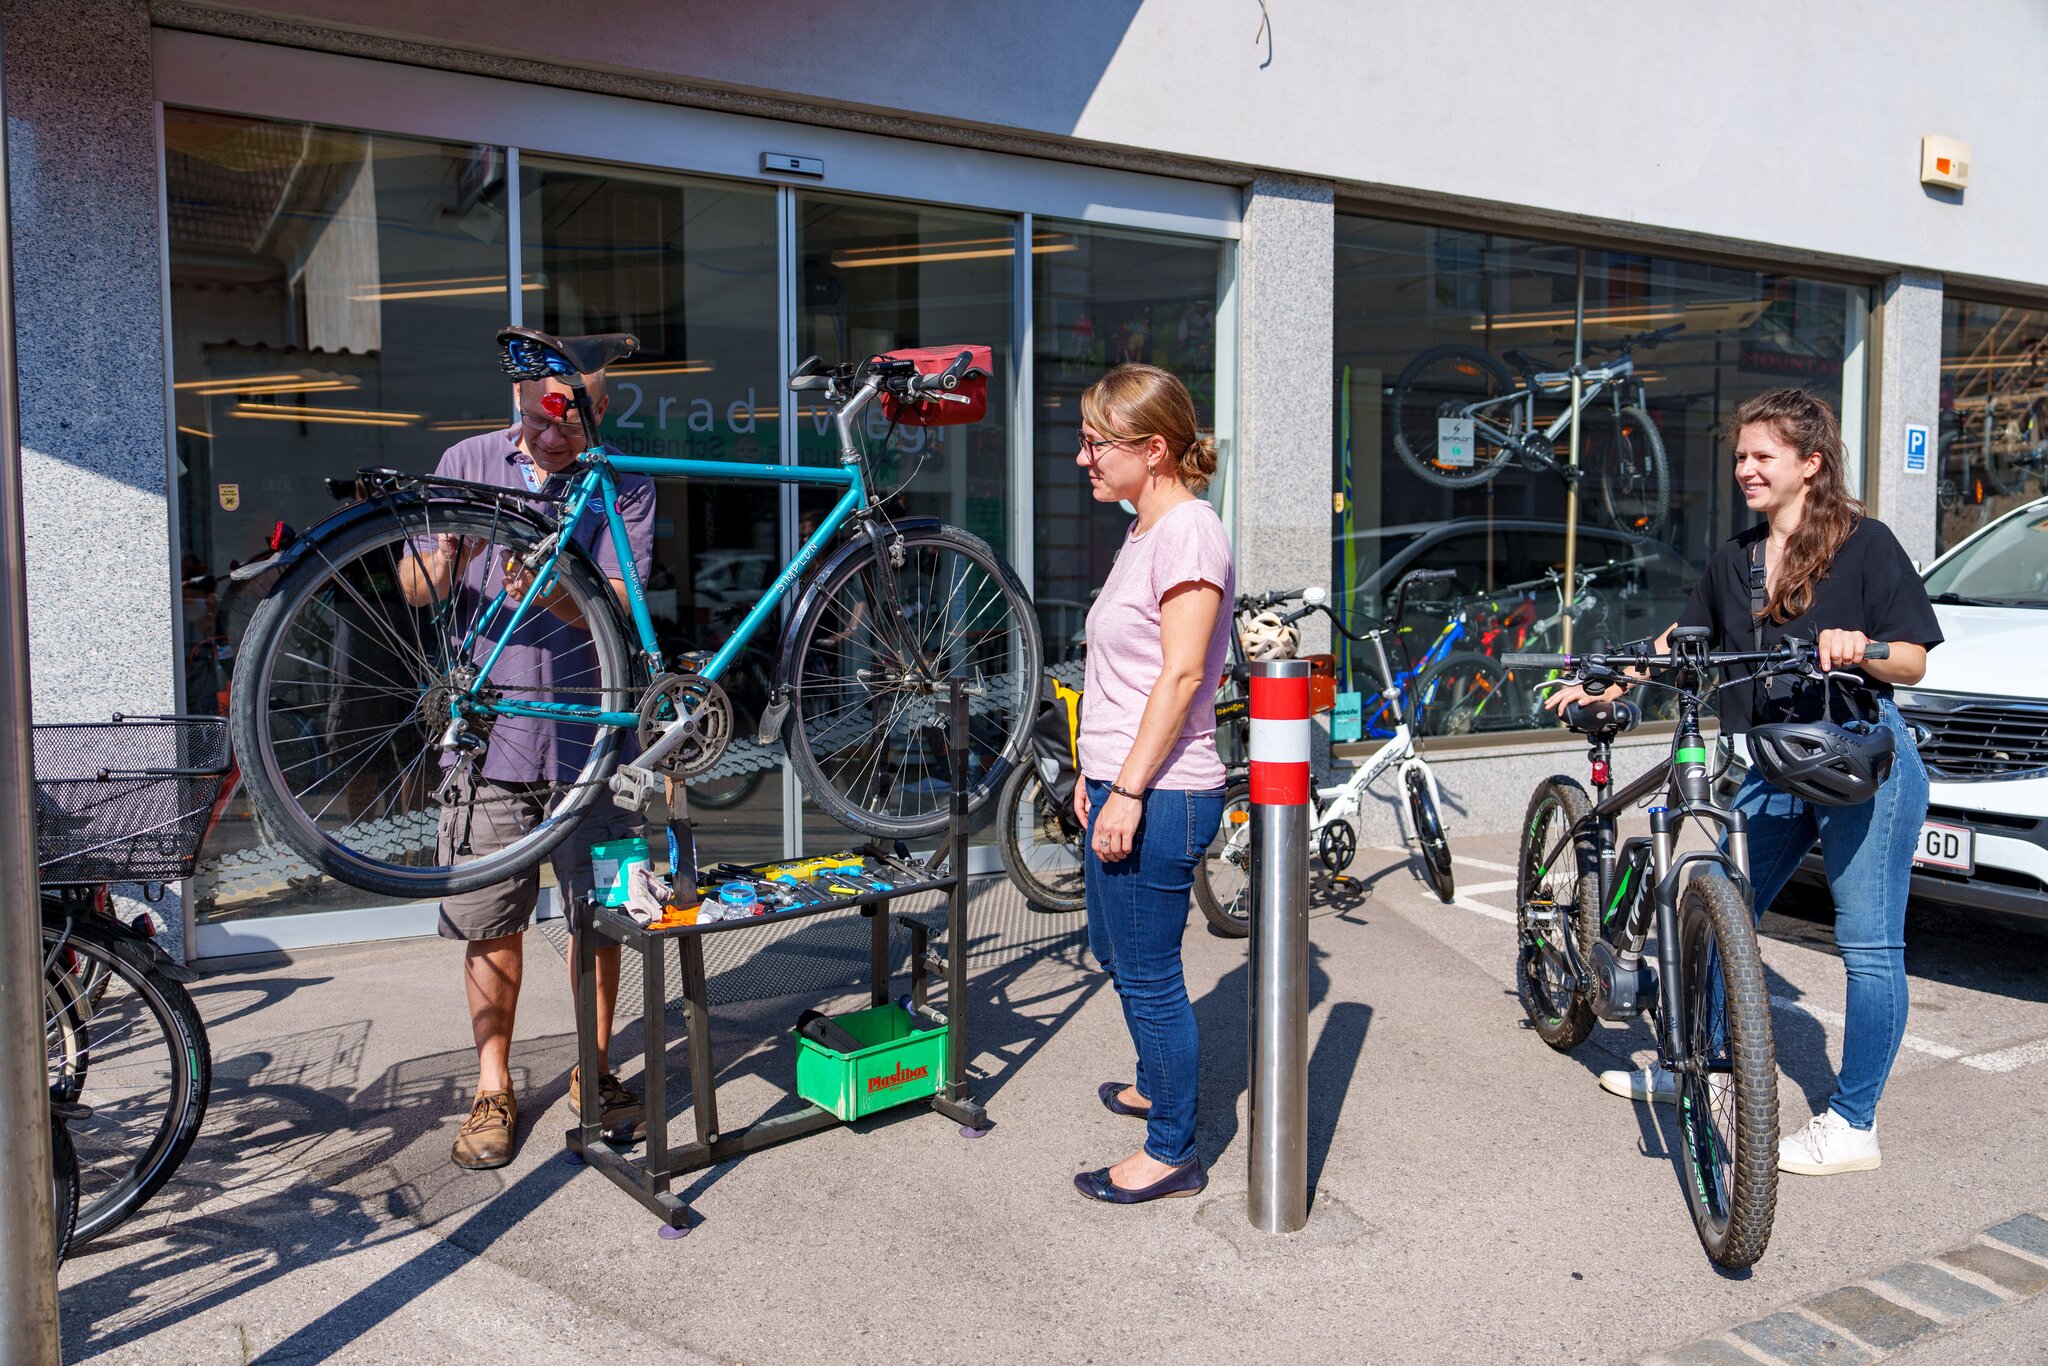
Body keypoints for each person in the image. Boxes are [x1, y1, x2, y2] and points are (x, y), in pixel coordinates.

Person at [1548, 387, 1940, 1176]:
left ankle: (1853, 1124)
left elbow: (1913, 659)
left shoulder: (1866, 546)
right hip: (1771, 759)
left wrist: (1858, 646)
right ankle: (1700, 1062)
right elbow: (1681, 638)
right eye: (1740, 457)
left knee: (1868, 947)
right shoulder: (1737, 557)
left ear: (1811, 463)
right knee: (1724, 911)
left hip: (1860, 756)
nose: (1747, 470)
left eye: (1764, 456)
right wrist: (1615, 682)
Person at [397, 365, 657, 1171]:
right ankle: (492, 1087)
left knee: (603, 920)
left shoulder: (624, 481)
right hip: (492, 738)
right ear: (517, 404)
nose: (554, 437)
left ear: (601, 413)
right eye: (542, 420)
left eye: (573, 423)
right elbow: (414, 588)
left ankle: (595, 1069)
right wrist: (447, 553)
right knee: (491, 922)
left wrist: (552, 593)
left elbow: (623, 596)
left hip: (595, 743)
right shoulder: (465, 464)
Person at [1069, 363, 1233, 1204]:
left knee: (1148, 972)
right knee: (1114, 949)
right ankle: (1152, 1080)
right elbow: (1123, 681)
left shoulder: (1188, 533)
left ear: (1154, 448)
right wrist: (1092, 774)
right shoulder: (1144, 530)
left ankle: (1172, 1149)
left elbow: (1179, 678)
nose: (1082, 458)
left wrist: (1126, 789)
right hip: (1122, 780)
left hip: (1163, 792)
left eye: (1097, 443)